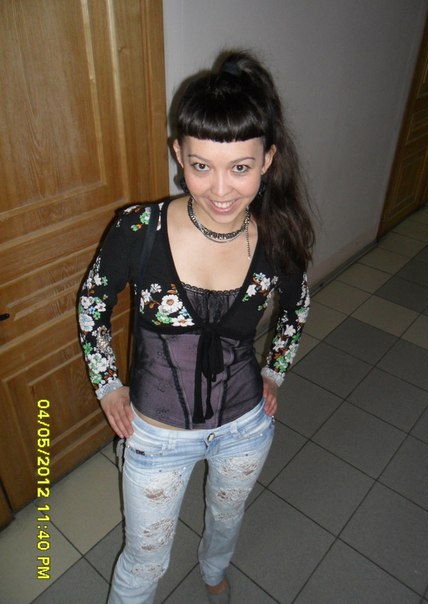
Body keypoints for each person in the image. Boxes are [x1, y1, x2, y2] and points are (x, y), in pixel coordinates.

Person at [78, 49, 314, 604]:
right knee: (144, 560)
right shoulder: (139, 229)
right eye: (201, 166)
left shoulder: (277, 235)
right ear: (178, 154)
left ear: (268, 160)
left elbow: (297, 307)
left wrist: (274, 372)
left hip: (245, 427)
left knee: (226, 519)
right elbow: (92, 303)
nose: (221, 190)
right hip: (156, 436)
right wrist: (107, 384)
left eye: (241, 167)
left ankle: (214, 569)